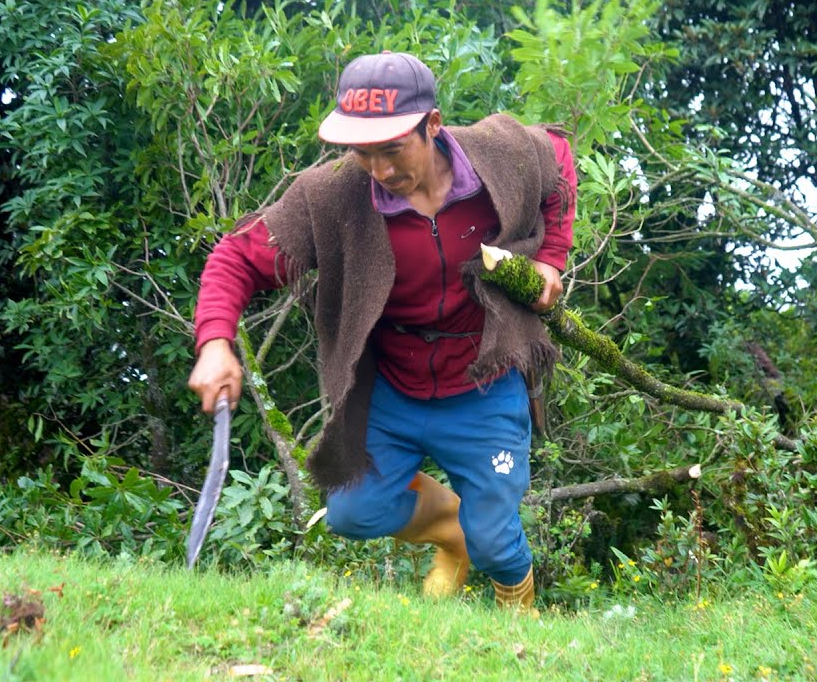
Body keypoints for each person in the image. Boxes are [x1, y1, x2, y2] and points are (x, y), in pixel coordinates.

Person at [188, 51, 576, 609]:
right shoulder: (331, 197)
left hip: (484, 384)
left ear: (433, 125)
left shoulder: (501, 153)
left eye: (393, 148)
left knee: (498, 541)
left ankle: (522, 628)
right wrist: (216, 342)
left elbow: (558, 159)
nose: (380, 170)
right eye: (362, 152)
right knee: (352, 512)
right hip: (393, 390)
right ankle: (454, 535)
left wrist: (552, 260)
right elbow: (236, 259)